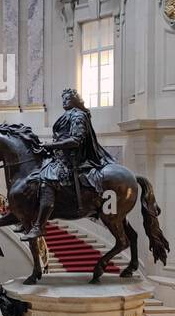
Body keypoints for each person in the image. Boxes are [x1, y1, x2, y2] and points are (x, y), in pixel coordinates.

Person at [22, 88, 115, 239]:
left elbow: (76, 140)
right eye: (63, 99)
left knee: (47, 180)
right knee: (35, 175)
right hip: (60, 155)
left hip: (73, 159)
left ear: (75, 100)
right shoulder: (68, 115)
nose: (64, 101)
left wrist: (52, 146)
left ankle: (39, 226)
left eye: (67, 99)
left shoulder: (78, 115)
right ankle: (29, 216)